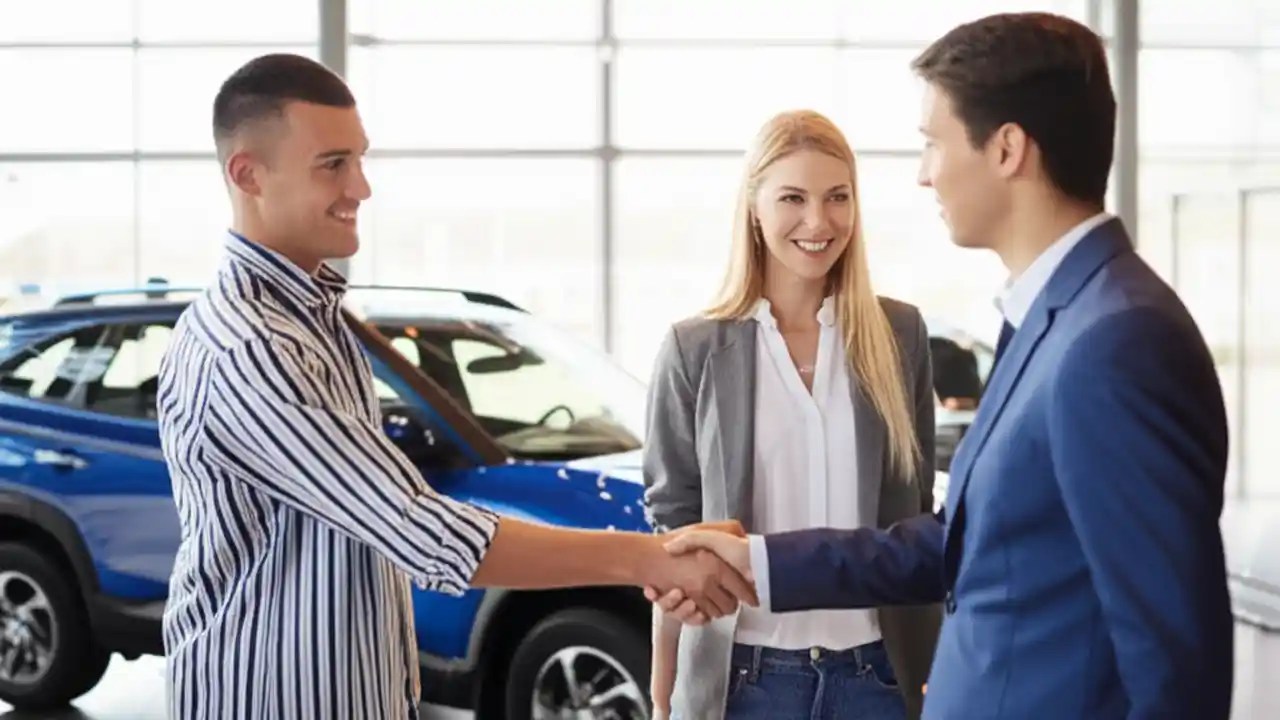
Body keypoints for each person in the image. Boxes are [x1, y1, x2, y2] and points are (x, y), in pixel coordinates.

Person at [652, 12, 1234, 720]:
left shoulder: (1116, 340)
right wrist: (759, 565)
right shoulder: (1053, 319)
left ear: (1007, 149)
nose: (925, 175)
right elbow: (957, 539)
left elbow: (1174, 660)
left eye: (933, 142)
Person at [155, 53, 755, 720]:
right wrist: (652, 559)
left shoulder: (314, 321)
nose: (361, 188)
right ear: (248, 174)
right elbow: (420, 530)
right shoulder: (252, 346)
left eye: (360, 159)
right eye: (333, 164)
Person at [642, 110, 940, 720]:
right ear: (754, 208)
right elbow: (674, 533)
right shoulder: (694, 349)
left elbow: (915, 522)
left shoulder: (900, 335)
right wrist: (664, 682)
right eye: (793, 198)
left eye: (838, 197)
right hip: (745, 680)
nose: (818, 221)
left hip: (881, 675)